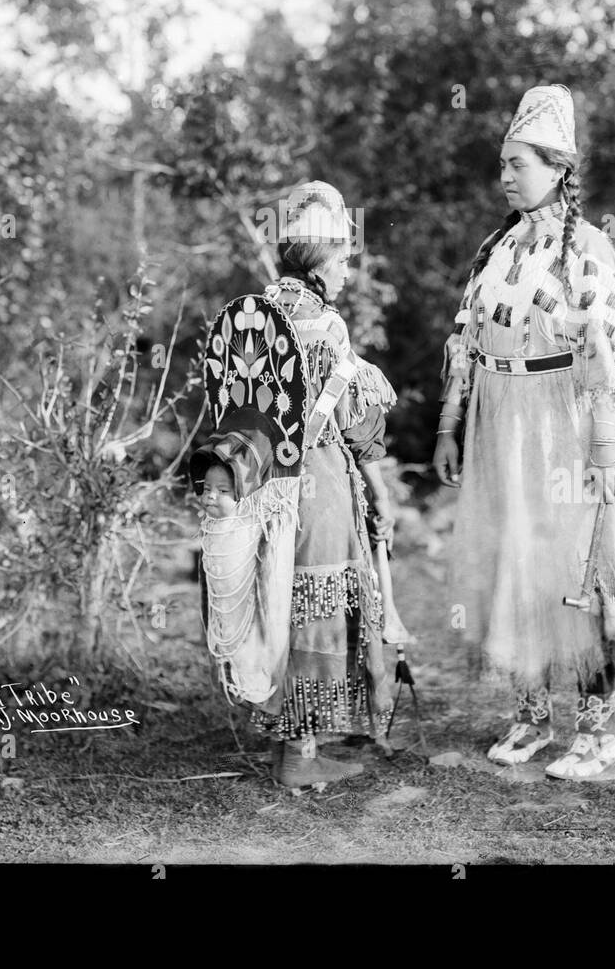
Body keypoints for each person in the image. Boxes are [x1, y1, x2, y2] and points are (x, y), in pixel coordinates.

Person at [434, 85, 615, 780]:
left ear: (558, 169)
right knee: (515, 564)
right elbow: (466, 339)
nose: (504, 176)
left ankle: (595, 732)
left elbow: (604, 355)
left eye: (518, 163)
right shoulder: (496, 249)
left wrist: (604, 454)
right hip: (500, 425)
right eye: (502, 164)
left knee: (575, 573)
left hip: (562, 426)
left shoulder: (586, 251)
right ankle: (531, 716)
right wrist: (451, 424)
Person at [246, 180, 403, 788]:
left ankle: (288, 745)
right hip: (319, 487)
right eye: (340, 260)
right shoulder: (327, 328)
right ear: (316, 260)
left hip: (264, 487)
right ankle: (301, 757)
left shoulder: (255, 314)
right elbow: (357, 423)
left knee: (278, 603)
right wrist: (380, 490)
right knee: (316, 609)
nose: (345, 272)